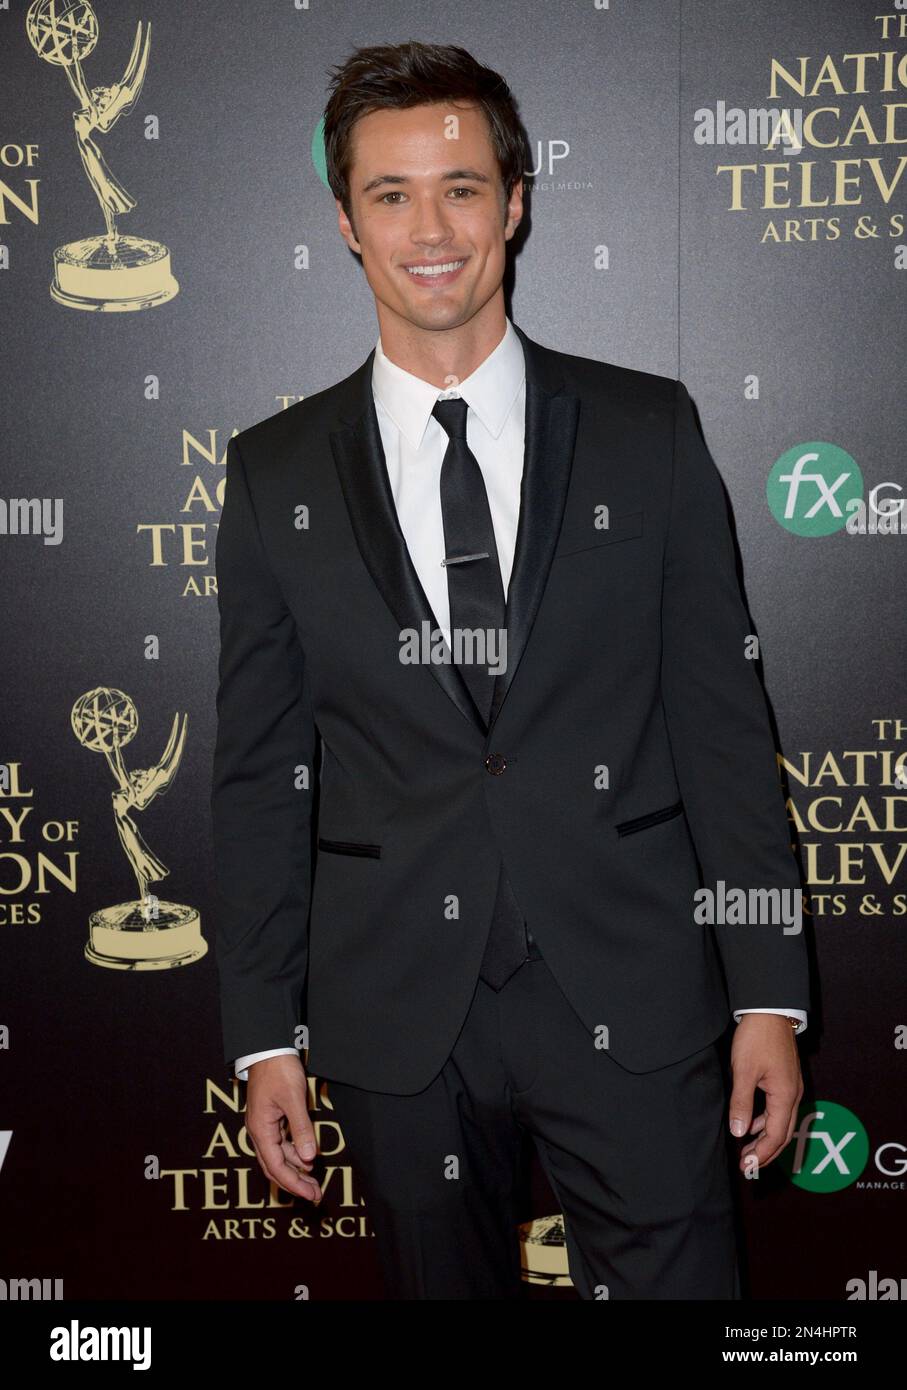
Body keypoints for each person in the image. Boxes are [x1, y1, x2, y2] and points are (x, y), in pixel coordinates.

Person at [211, 40, 810, 1300]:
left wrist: (768, 992)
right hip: (399, 1018)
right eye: (390, 194)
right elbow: (264, 776)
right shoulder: (274, 475)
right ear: (344, 220)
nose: (430, 228)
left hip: (634, 989)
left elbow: (718, 723)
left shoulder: (649, 430)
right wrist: (264, 1033)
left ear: (516, 201)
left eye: (462, 186)